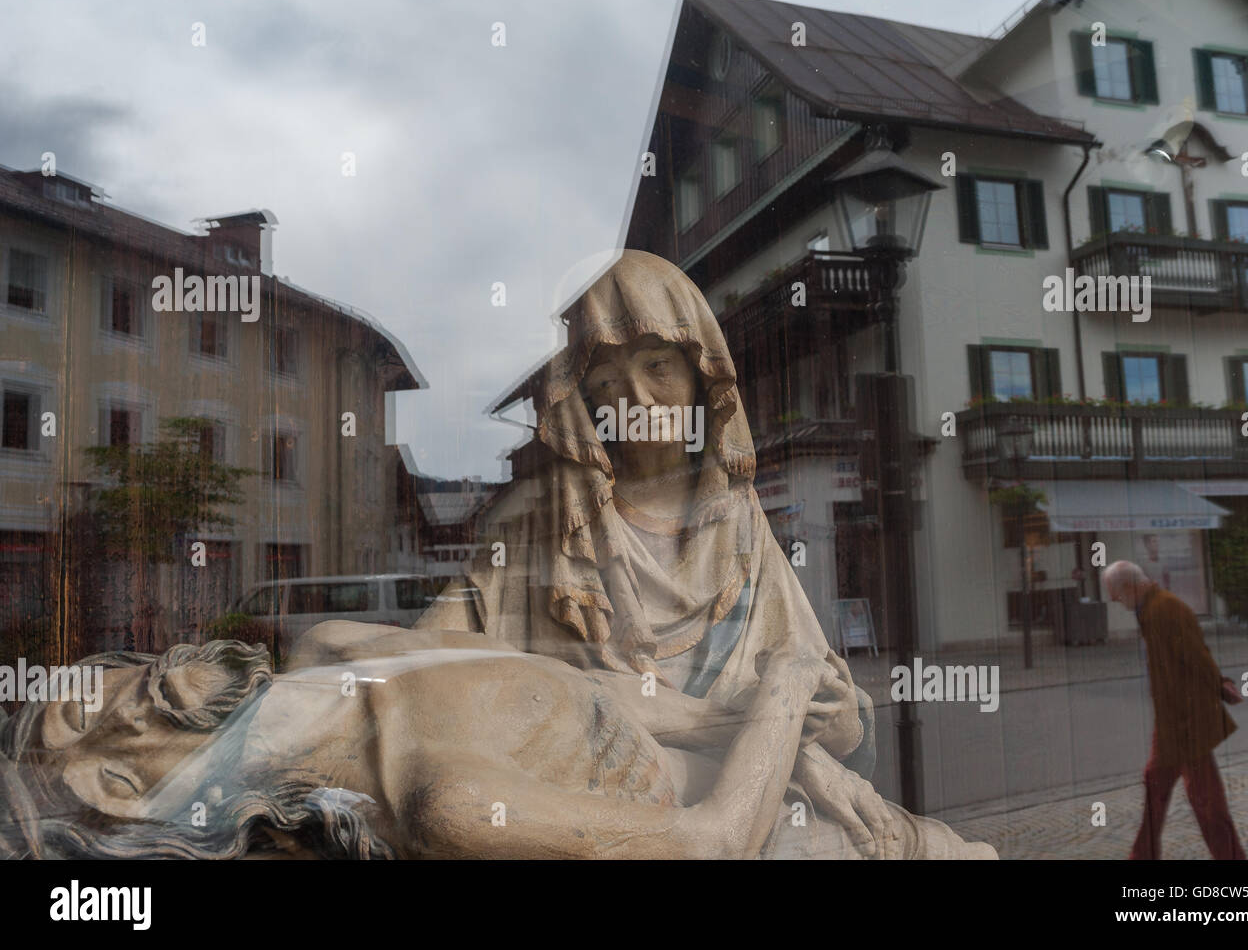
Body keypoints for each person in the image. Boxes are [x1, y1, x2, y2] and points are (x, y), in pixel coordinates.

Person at [416, 250, 889, 836]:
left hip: (756, 813)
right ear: (583, 405)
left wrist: (817, 717)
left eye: (658, 366)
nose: (636, 400)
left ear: (700, 373)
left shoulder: (740, 526)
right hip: (605, 822)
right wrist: (779, 739)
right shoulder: (540, 535)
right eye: (607, 382)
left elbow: (836, 718)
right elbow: (423, 675)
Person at [0, 632, 993, 859]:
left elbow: (582, 687)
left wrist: (802, 750)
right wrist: (779, 699)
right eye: (82, 716)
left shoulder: (332, 652)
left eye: (111, 665)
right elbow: (711, 843)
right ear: (124, 789)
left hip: (818, 794)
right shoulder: (445, 800)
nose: (123, 676)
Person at [1102, 560, 1246, 860]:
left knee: (1208, 805)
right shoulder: (1150, 610)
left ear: (1129, 586)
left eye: (1115, 594)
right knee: (1155, 786)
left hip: (1187, 723)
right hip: (1170, 723)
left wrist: (1220, 684)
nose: (1115, 601)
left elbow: (1197, 655)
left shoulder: (1166, 608)